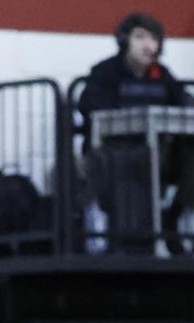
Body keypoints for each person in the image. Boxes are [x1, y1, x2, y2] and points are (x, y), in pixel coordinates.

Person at [76, 13, 185, 251]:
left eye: (154, 39)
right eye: (140, 37)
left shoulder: (163, 75)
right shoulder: (104, 72)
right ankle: (126, 238)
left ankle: (174, 218)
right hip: (114, 152)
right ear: (124, 40)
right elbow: (91, 108)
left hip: (159, 153)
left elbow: (184, 103)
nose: (148, 45)